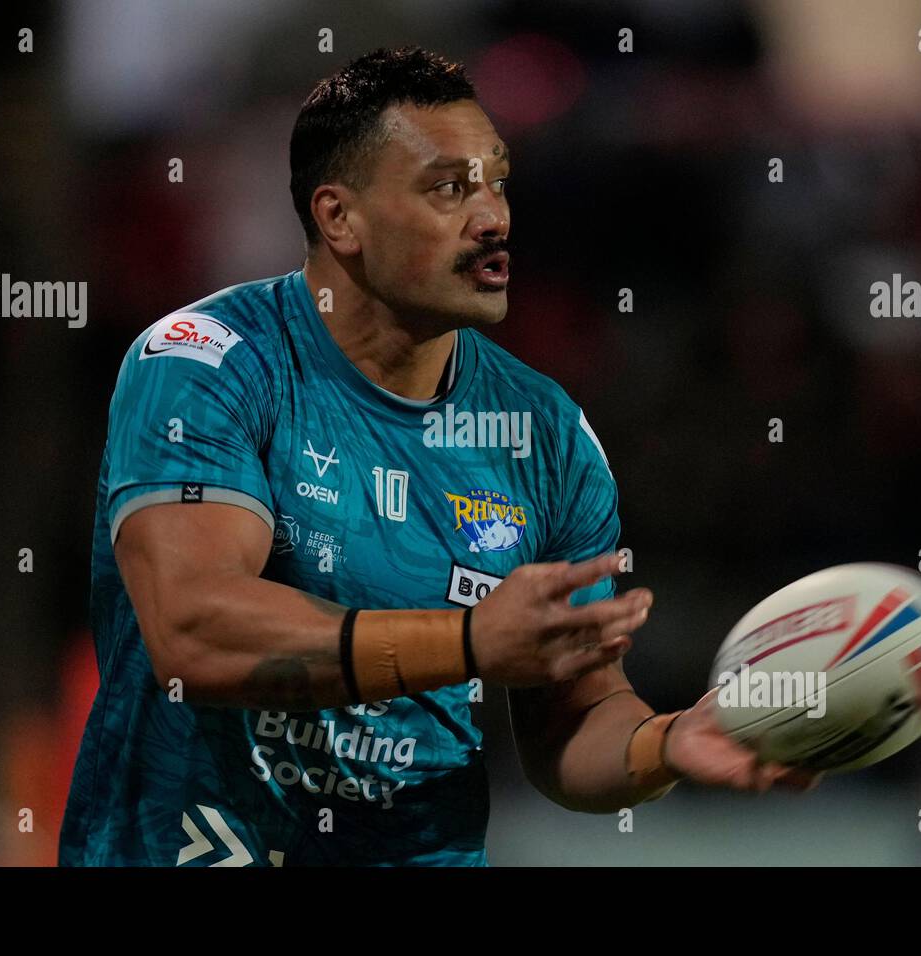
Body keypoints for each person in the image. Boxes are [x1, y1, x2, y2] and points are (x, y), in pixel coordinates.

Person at [60, 46, 816, 867]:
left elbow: (573, 723)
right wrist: (467, 643)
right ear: (339, 218)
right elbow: (194, 631)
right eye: (449, 188)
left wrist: (666, 741)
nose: (494, 219)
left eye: (497, 183)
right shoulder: (208, 363)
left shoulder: (546, 433)